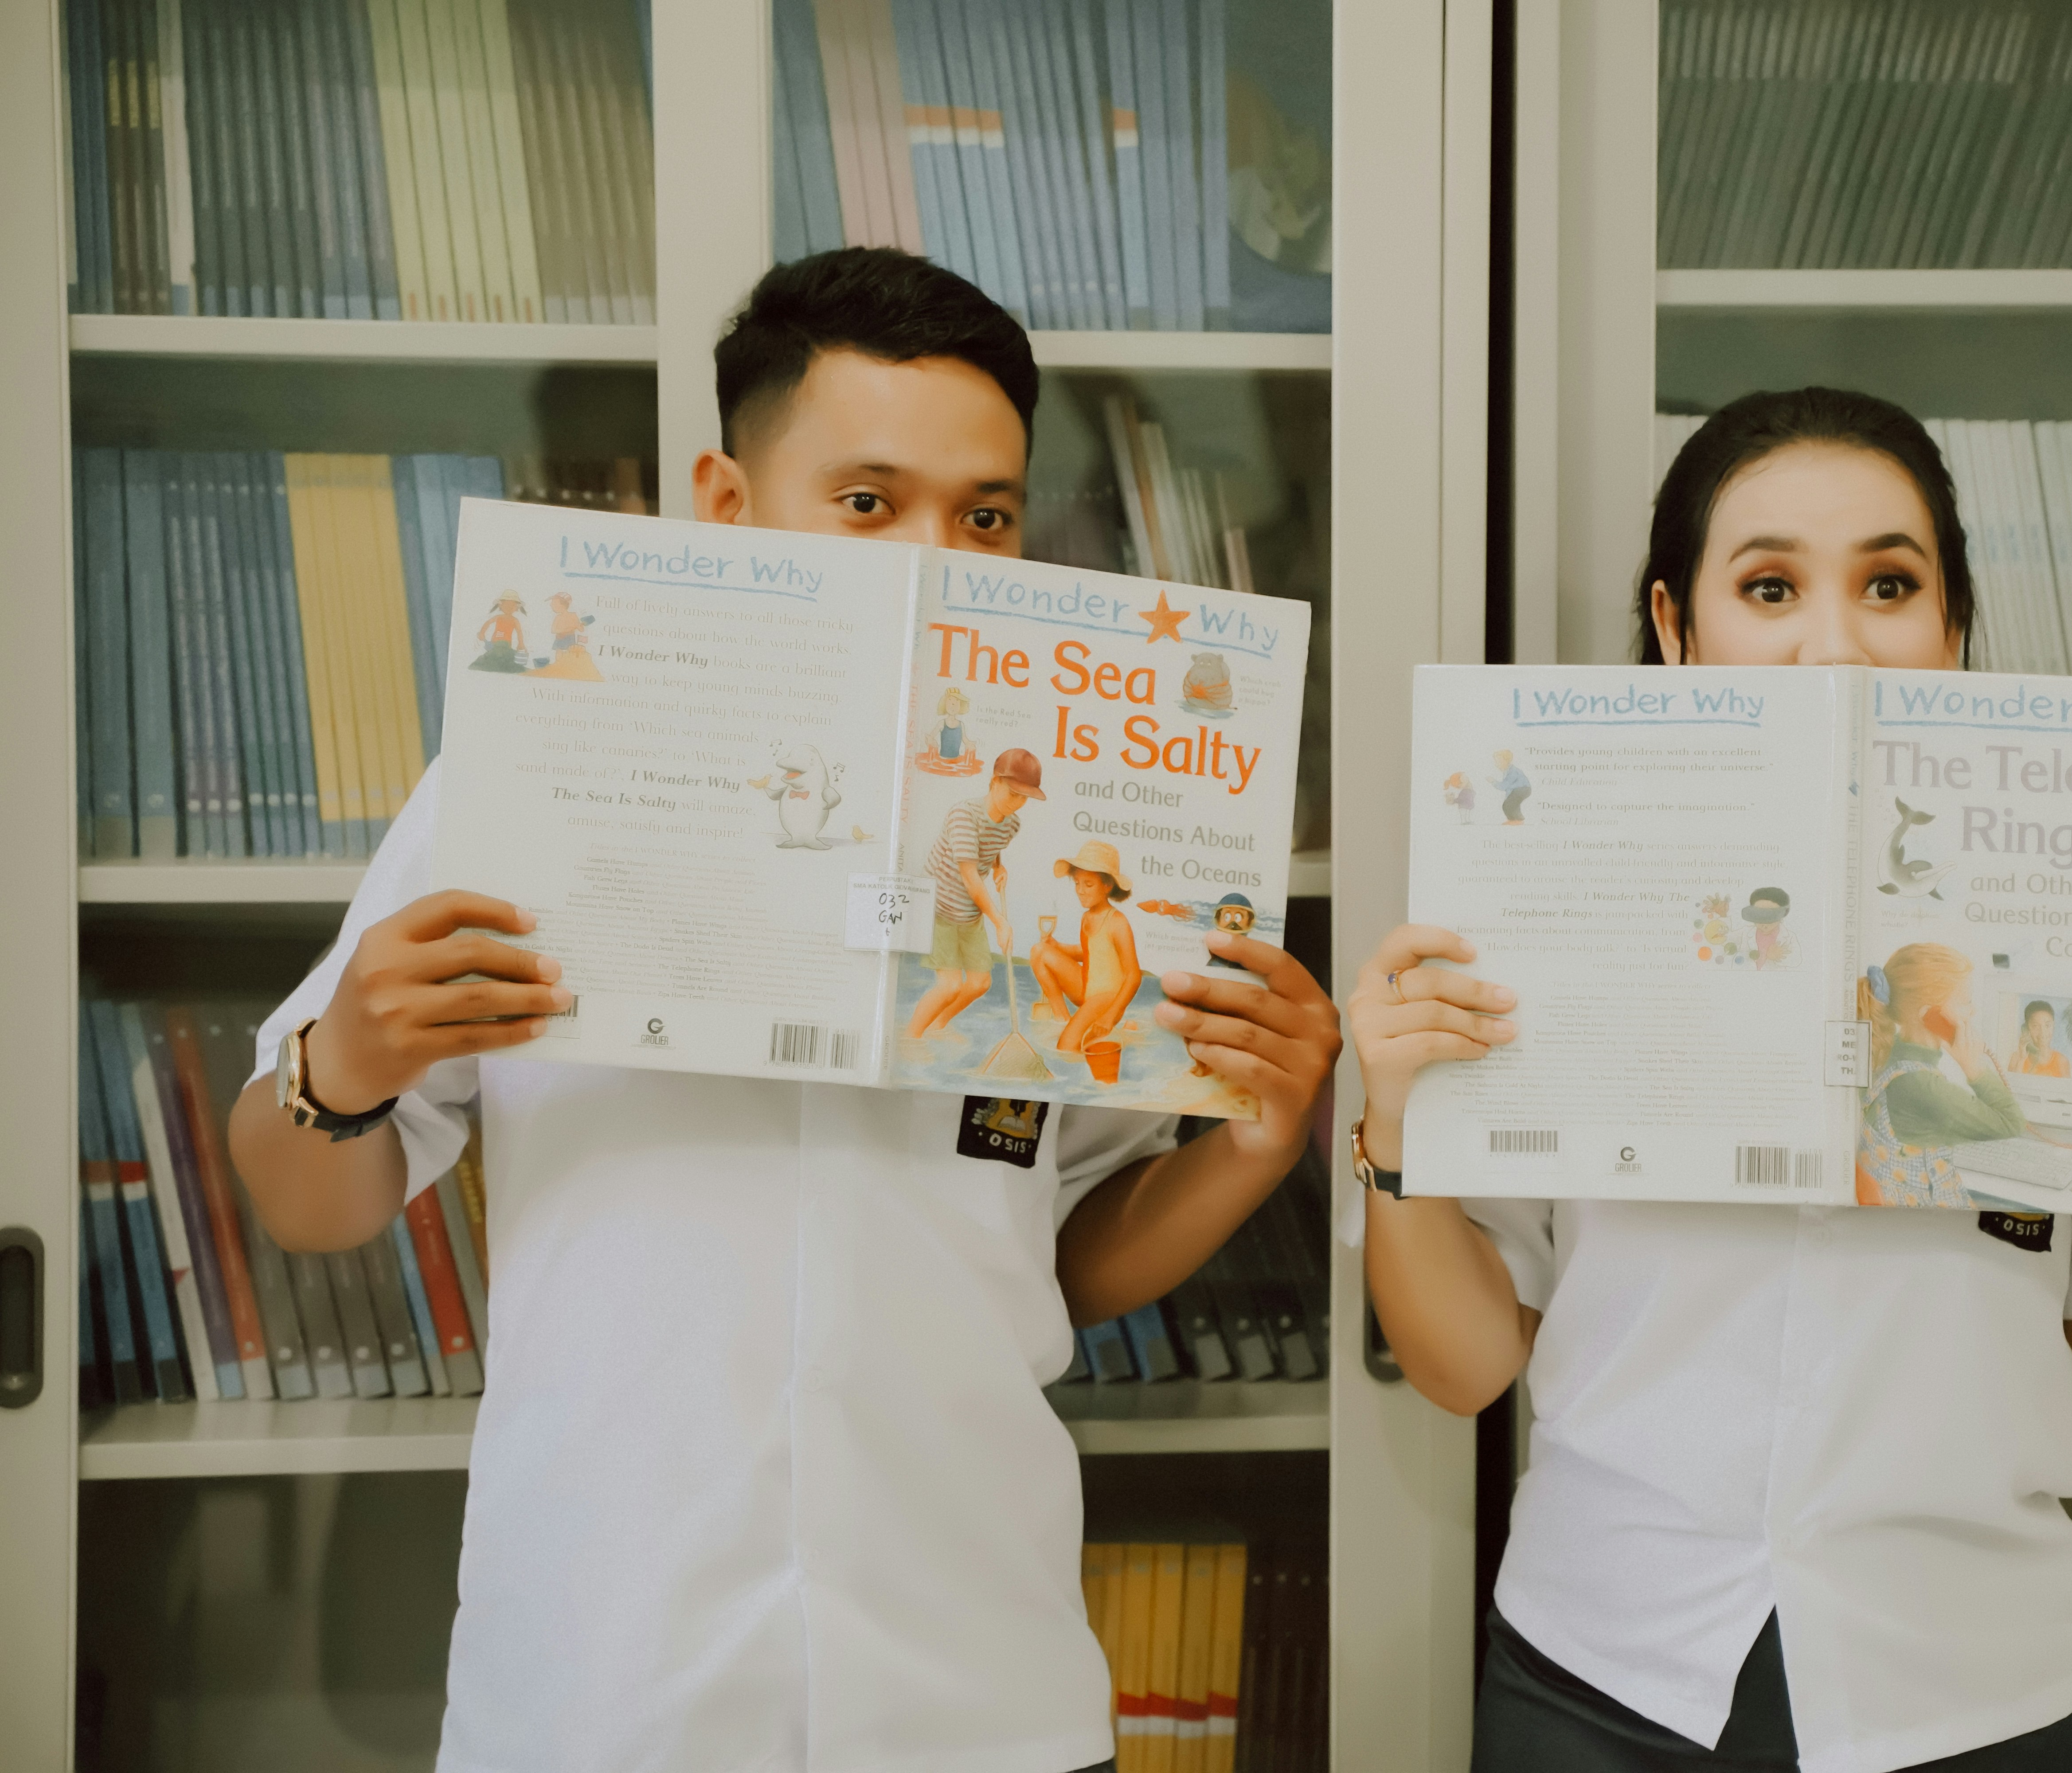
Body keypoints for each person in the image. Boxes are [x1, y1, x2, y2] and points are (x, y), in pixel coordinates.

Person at [226, 247, 1342, 1773]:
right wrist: (345, 1060)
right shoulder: (533, 773)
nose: (936, 558)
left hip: (982, 1693)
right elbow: (305, 1200)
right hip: (611, 1693)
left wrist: (1251, 1146)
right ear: (731, 502)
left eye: (986, 515)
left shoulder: (1069, 831)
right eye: (870, 501)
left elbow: (1066, 1259)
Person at [1347, 387, 2072, 1773]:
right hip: (1606, 1672)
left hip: (1987, 1690)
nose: (1834, 641)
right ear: (1674, 626)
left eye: (1889, 585)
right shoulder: (1547, 907)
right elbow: (1464, 1368)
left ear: (1952, 626)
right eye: (1769, 588)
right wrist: (1396, 1123)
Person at [1854, 944, 2023, 1209]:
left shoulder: (1886, 1052)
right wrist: (1974, 1068)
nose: (1973, 1011)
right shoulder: (1922, 1086)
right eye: (1966, 1001)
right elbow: (2012, 1125)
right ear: (1929, 1015)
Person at [910, 748, 1046, 1038]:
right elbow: (970, 876)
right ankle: (911, 1037)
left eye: (1024, 798)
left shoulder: (1011, 825)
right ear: (995, 782)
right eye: (1013, 793)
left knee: (980, 984)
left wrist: (999, 867)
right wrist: (1000, 922)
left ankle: (938, 1026)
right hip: (939, 906)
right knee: (950, 986)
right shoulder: (963, 815)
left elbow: (990, 846)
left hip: (970, 911)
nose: (1018, 803)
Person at [1033, 841, 1145, 1057]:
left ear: (1108, 886)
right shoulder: (1087, 917)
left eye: (1089, 885)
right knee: (1039, 951)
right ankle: (1062, 1018)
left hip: (1107, 998)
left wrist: (1111, 1016)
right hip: (1085, 989)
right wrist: (1057, 947)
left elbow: (1134, 976)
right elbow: (1090, 954)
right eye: (1077, 883)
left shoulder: (1118, 922)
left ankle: (1097, 1031)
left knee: (1066, 1048)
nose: (1080, 891)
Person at [2009, 1000, 2072, 1079]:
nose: (2043, 1032)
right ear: (2027, 1029)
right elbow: (2010, 1085)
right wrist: (2022, 1059)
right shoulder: (2017, 1058)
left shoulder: (2062, 1061)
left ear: (2053, 1026)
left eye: (2048, 1026)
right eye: (2036, 1026)